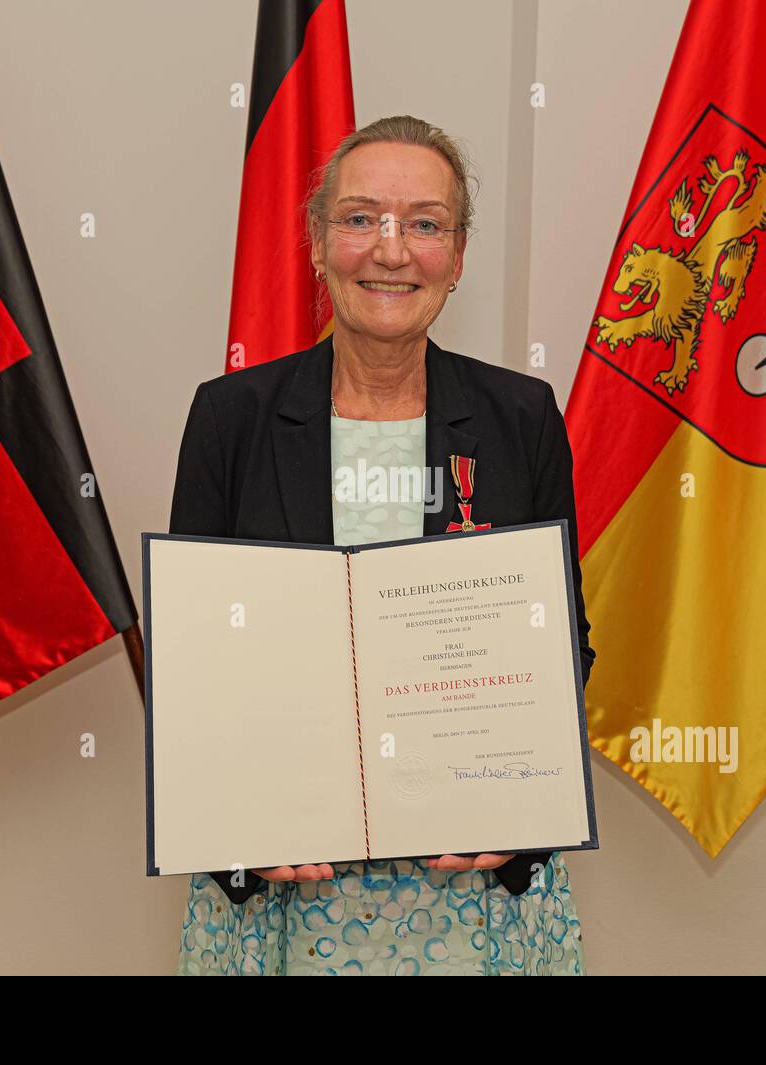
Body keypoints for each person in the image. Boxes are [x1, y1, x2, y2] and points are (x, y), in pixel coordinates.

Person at [169, 115, 594, 975]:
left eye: (425, 224)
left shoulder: (520, 418)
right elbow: (191, 661)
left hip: (471, 894)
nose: (391, 251)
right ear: (318, 243)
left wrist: (514, 809)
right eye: (361, 218)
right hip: (288, 889)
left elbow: (561, 648)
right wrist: (234, 833)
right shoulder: (231, 418)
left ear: (460, 253)